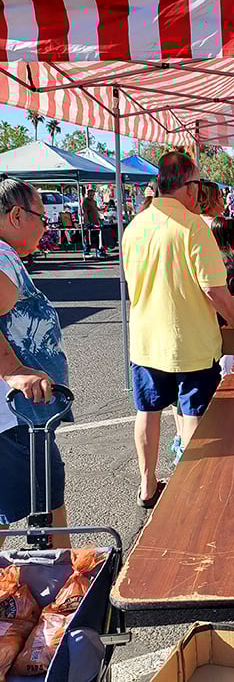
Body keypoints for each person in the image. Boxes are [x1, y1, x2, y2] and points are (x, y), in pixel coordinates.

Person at [122, 152, 234, 508]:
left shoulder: (135, 226)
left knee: (149, 412)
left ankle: (147, 486)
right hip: (189, 342)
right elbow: (214, 290)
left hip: (145, 340)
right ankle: (191, 493)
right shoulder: (193, 227)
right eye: (198, 184)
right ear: (187, 186)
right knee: (192, 418)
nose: (199, 191)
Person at [0, 176, 71, 548]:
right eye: (41, 218)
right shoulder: (3, 255)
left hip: (23, 417)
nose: (46, 227)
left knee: (42, 503)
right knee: (44, 506)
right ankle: (66, 591)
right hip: (16, 420)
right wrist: (13, 369)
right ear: (15, 215)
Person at [82, 188, 106, 258]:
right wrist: (87, 222)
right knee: (88, 237)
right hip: (89, 222)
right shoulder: (85, 202)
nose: (91, 196)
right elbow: (85, 212)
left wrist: (102, 208)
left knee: (98, 237)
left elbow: (97, 209)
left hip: (96, 222)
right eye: (90, 195)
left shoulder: (94, 202)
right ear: (88, 194)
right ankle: (86, 252)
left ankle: (100, 252)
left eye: (93, 195)